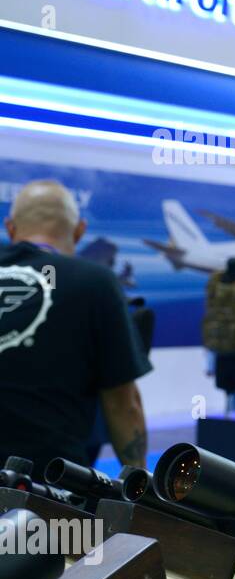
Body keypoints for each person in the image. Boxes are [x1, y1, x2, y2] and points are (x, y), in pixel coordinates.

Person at [0, 181, 150, 477]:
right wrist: (143, 494)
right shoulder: (95, 283)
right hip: (48, 491)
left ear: (10, 228)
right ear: (80, 231)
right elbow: (123, 404)